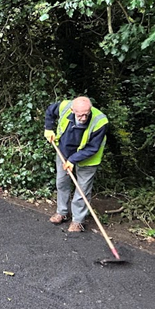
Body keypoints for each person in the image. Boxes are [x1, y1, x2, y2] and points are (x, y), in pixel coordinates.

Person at [43, 96, 109, 232]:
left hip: (88, 158)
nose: (84, 118)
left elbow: (93, 147)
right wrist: (48, 128)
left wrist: (73, 160)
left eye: (87, 114)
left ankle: (78, 220)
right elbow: (50, 111)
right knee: (61, 182)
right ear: (73, 110)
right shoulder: (65, 107)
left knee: (82, 190)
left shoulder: (100, 121)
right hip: (64, 152)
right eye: (80, 115)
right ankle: (62, 212)